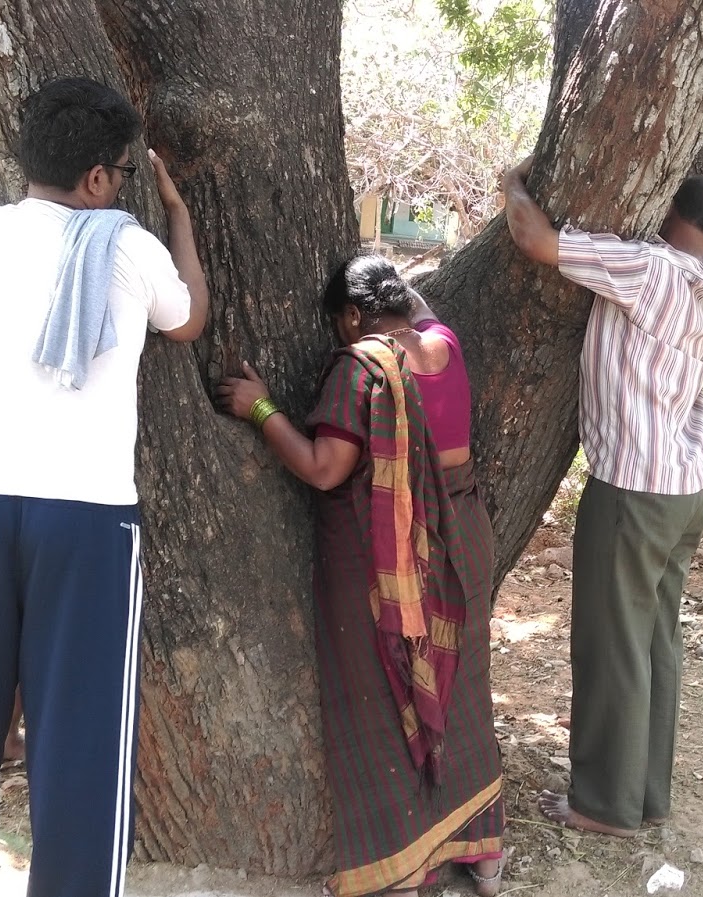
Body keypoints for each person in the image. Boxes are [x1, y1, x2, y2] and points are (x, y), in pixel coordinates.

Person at [0, 76, 209, 896]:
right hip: (88, 519)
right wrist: (177, 216)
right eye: (126, 177)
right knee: (81, 743)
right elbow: (189, 320)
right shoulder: (131, 246)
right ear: (100, 179)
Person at [216, 256, 505, 897]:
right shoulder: (443, 347)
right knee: (461, 696)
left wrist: (259, 407)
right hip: (462, 538)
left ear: (351, 316)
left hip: (397, 563)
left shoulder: (360, 368)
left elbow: (325, 467)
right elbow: (420, 311)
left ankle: (403, 870)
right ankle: (483, 857)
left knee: (389, 700)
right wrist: (391, 278)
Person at [502, 158, 703, 838]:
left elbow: (536, 240)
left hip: (633, 487)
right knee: (654, 643)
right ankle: (645, 791)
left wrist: (514, 184)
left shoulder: (648, 269)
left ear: (668, 209)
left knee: (612, 646)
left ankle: (603, 803)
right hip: (685, 487)